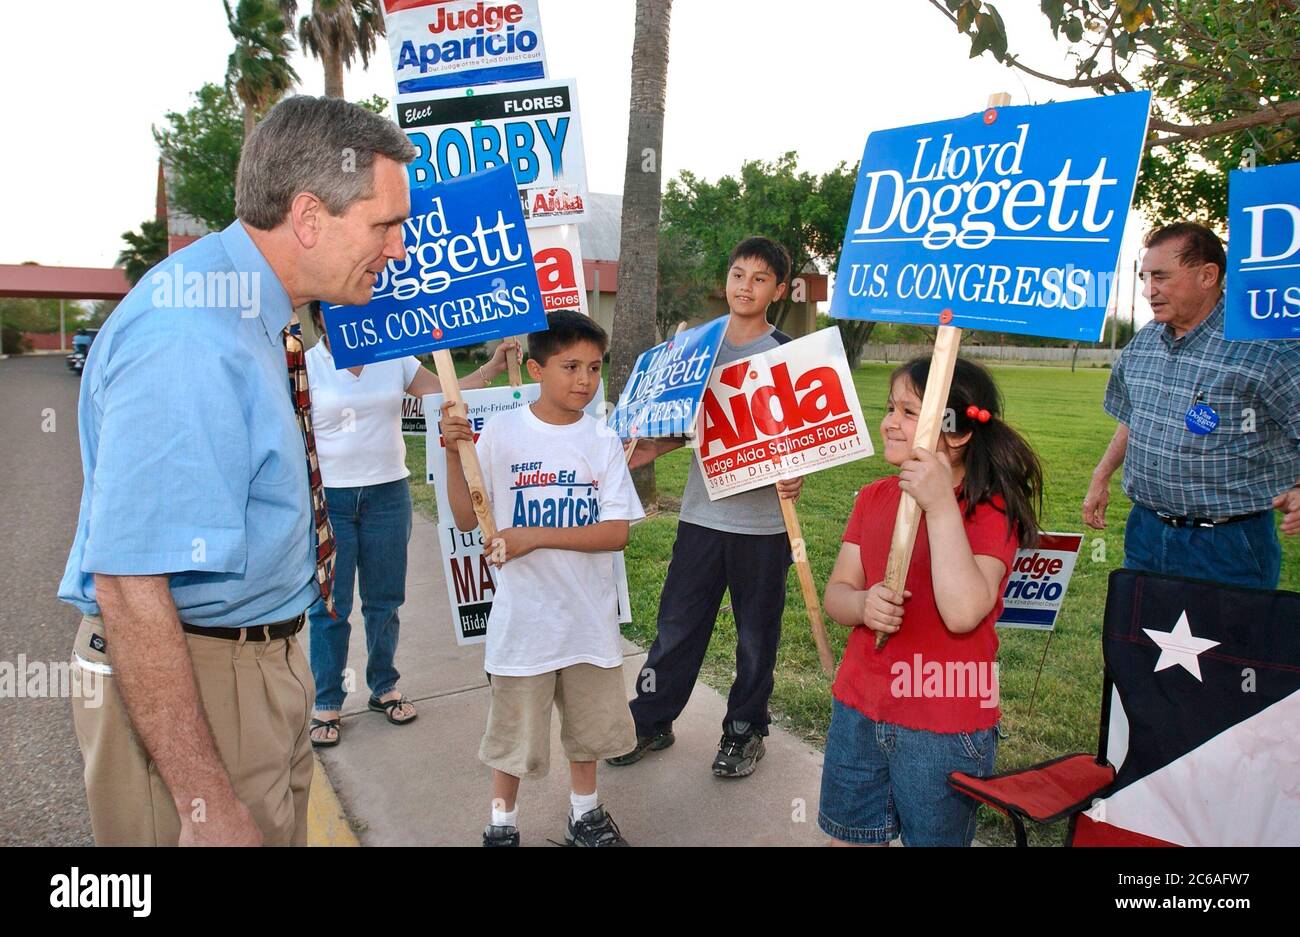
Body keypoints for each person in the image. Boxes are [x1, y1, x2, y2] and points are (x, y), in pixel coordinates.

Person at [57, 96, 415, 846]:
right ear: (310, 216)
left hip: (255, 662)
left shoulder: (255, 311)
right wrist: (203, 803)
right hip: (195, 676)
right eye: (385, 225)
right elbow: (129, 582)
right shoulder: (191, 338)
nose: (399, 249)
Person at [819, 357, 1042, 846]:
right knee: (849, 837)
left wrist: (940, 505)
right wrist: (861, 606)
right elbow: (837, 592)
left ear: (956, 432)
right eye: (889, 408)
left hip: (943, 726)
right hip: (859, 708)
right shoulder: (874, 498)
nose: (889, 422)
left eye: (908, 411)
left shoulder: (989, 508)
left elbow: (963, 613)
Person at [441, 309, 644, 847]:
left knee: (588, 731)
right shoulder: (502, 434)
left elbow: (615, 532)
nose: (584, 380)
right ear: (535, 368)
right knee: (513, 736)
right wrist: (450, 452)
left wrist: (534, 535)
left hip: (587, 622)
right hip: (523, 624)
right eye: (570, 366)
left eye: (595, 368)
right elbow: (467, 516)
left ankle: (586, 814)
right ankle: (501, 826)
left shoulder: (601, 440)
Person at [607, 236, 802, 778]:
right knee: (676, 625)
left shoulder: (786, 355)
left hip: (764, 525)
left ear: (778, 290)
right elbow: (691, 426)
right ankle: (651, 719)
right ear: (727, 279)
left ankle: (744, 730)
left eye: (760, 279)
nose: (746, 286)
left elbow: (806, 437)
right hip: (701, 516)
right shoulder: (696, 348)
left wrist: (797, 475)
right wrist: (653, 446)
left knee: (756, 634)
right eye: (738, 274)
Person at [304, 302, 519, 746]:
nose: (347, 316)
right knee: (331, 605)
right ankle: (327, 700)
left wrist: (493, 366)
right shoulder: (307, 367)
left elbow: (445, 393)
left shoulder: (391, 356)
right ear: (319, 316)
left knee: (384, 600)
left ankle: (383, 686)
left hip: (387, 495)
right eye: (334, 310)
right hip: (331, 501)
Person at [1083, 222, 1300, 589]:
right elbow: (1135, 416)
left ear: (1208, 275)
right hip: (1146, 534)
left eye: (1162, 277)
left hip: (1229, 546)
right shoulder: (1145, 342)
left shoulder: (1265, 350)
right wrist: (1101, 475)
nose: (1149, 290)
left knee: (1229, 646)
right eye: (1145, 277)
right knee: (1143, 643)